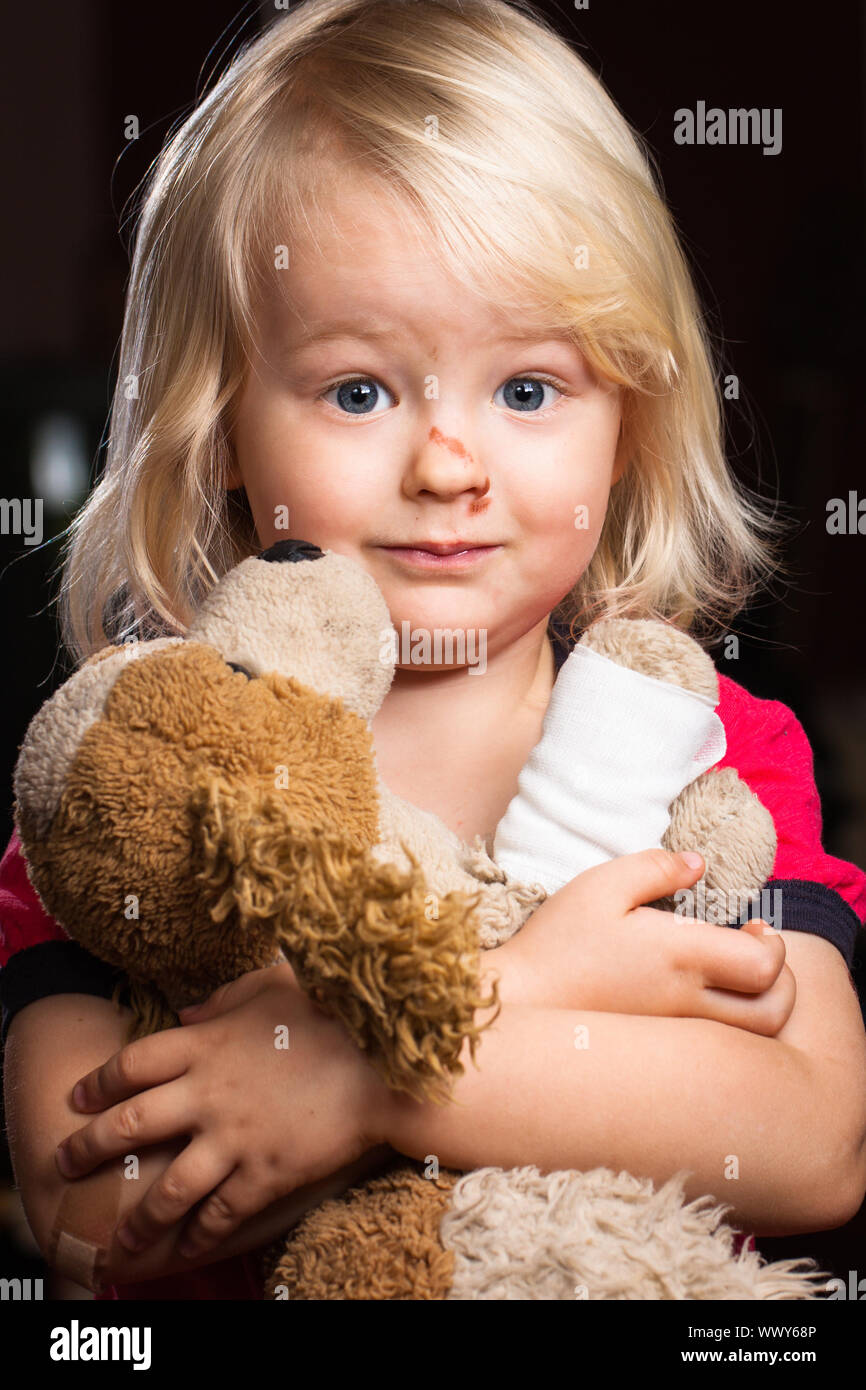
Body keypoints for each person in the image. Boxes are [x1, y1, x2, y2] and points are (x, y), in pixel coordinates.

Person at [3, 0, 865, 1301]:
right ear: (222, 431)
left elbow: (808, 1138)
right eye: (358, 391)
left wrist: (357, 1074)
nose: (448, 465)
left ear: (627, 420)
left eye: (526, 389)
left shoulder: (708, 757)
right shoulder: (144, 774)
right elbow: (82, 1207)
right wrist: (543, 988)